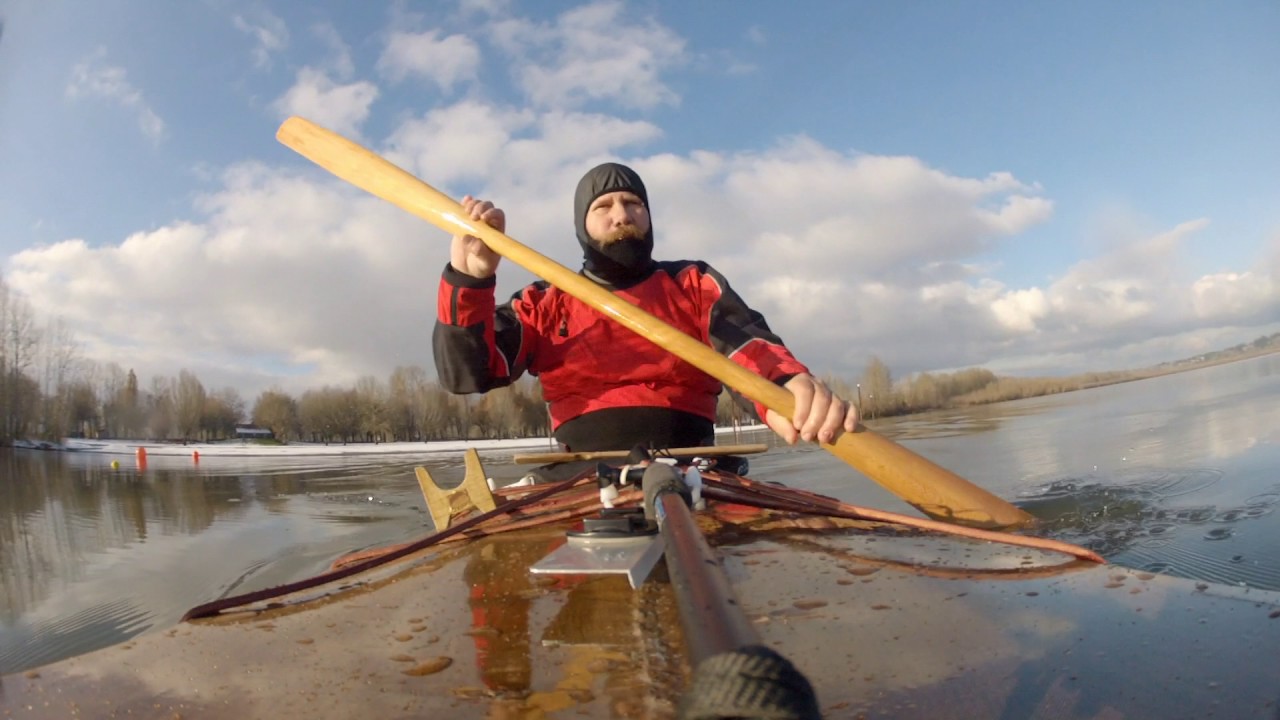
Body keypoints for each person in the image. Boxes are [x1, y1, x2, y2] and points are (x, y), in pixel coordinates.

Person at [433, 162, 858, 453]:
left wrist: (789, 384)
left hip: (694, 468)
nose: (621, 215)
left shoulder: (692, 282)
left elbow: (747, 346)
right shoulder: (545, 300)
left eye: (633, 203)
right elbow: (469, 373)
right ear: (582, 224)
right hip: (578, 476)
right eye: (603, 206)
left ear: (649, 217)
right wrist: (468, 278)